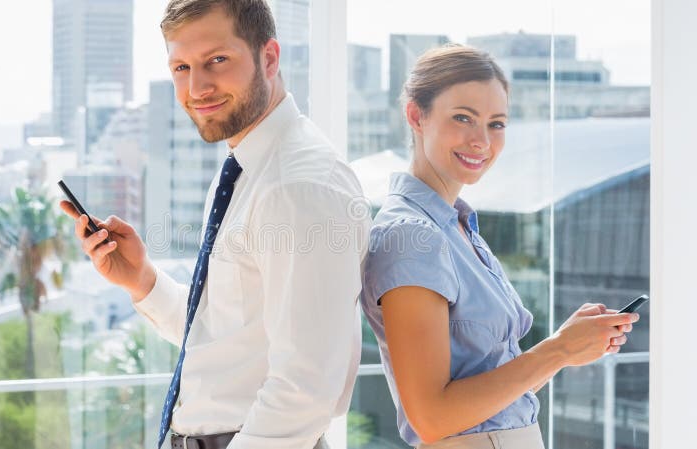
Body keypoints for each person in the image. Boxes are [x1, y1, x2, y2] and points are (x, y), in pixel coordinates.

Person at [60, 1, 370, 449]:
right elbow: (227, 341)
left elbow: (305, 390)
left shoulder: (297, 186)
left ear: (269, 58)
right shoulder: (248, 167)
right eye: (181, 67)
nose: (196, 86)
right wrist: (142, 280)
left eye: (216, 60)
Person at [360, 45, 639, 449]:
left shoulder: (457, 228)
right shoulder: (411, 237)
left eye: (497, 124)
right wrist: (557, 350)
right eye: (463, 118)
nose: (481, 141)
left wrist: (567, 344)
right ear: (416, 116)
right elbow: (433, 418)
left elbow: (490, 393)